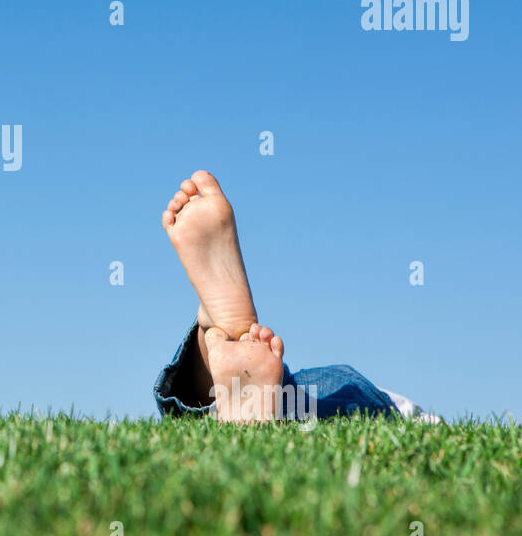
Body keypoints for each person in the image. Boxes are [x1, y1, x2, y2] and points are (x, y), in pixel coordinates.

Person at [154, 171, 436, 423]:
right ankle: (221, 350)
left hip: (310, 390)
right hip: (347, 395)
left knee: (297, 395)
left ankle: (213, 344)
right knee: (324, 398)